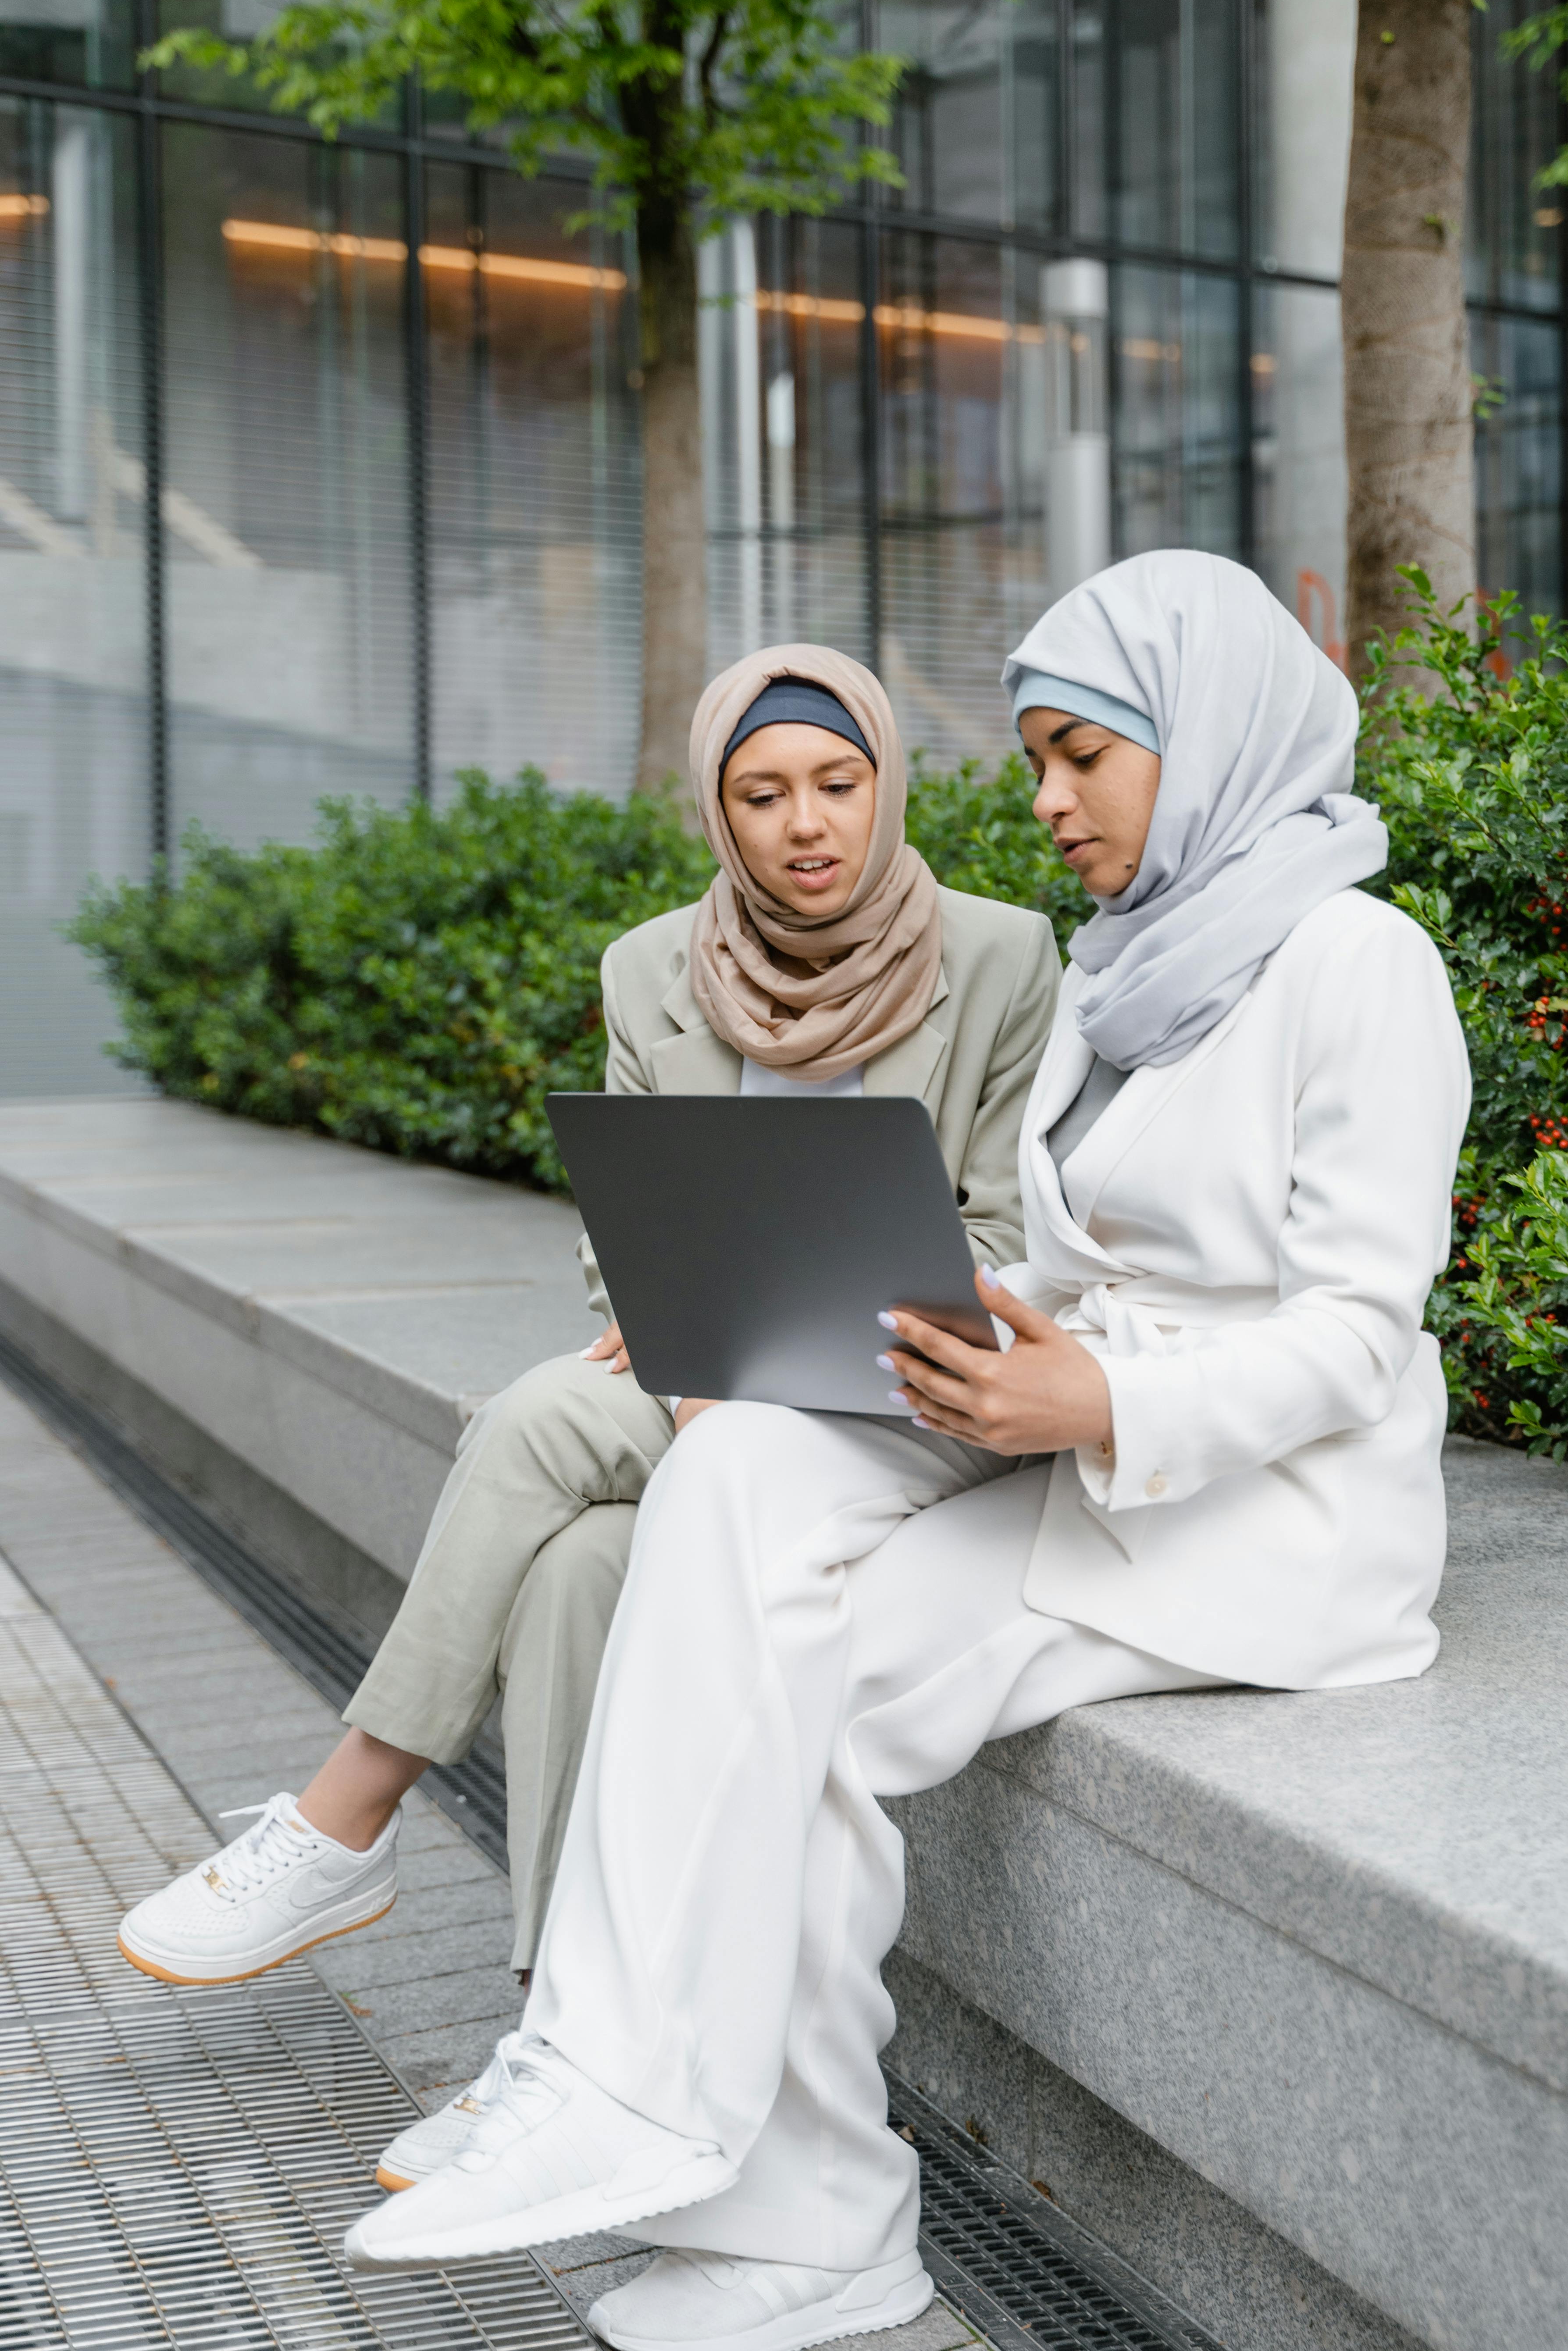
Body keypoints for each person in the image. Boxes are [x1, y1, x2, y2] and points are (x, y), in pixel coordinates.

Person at [338, 549, 1473, 2350]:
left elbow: (1359, 1332)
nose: (1040, 800)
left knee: (815, 1680)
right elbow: (1073, 1261)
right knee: (735, 1468)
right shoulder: (1130, 966)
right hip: (1066, 1436)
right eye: (1033, 757)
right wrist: (898, 1322)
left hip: (1263, 1525)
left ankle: (669, 2120)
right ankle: (720, 2168)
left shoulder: (1356, 964)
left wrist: (1092, 1402)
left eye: (1078, 754)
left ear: (1206, 731)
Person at [115, 646, 1060, 2176]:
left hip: (911, 1396)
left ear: (886, 785)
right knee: (576, 1574)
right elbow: (622, 1214)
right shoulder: (652, 971)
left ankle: (346, 1817)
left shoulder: (1004, 956)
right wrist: (691, 1352)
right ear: (717, 810)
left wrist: (760, 1354)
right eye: (763, 794)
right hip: (704, 1381)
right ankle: (565, 2039)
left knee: (541, 1422)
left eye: (838, 783)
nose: (806, 824)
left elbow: (1013, 1238)